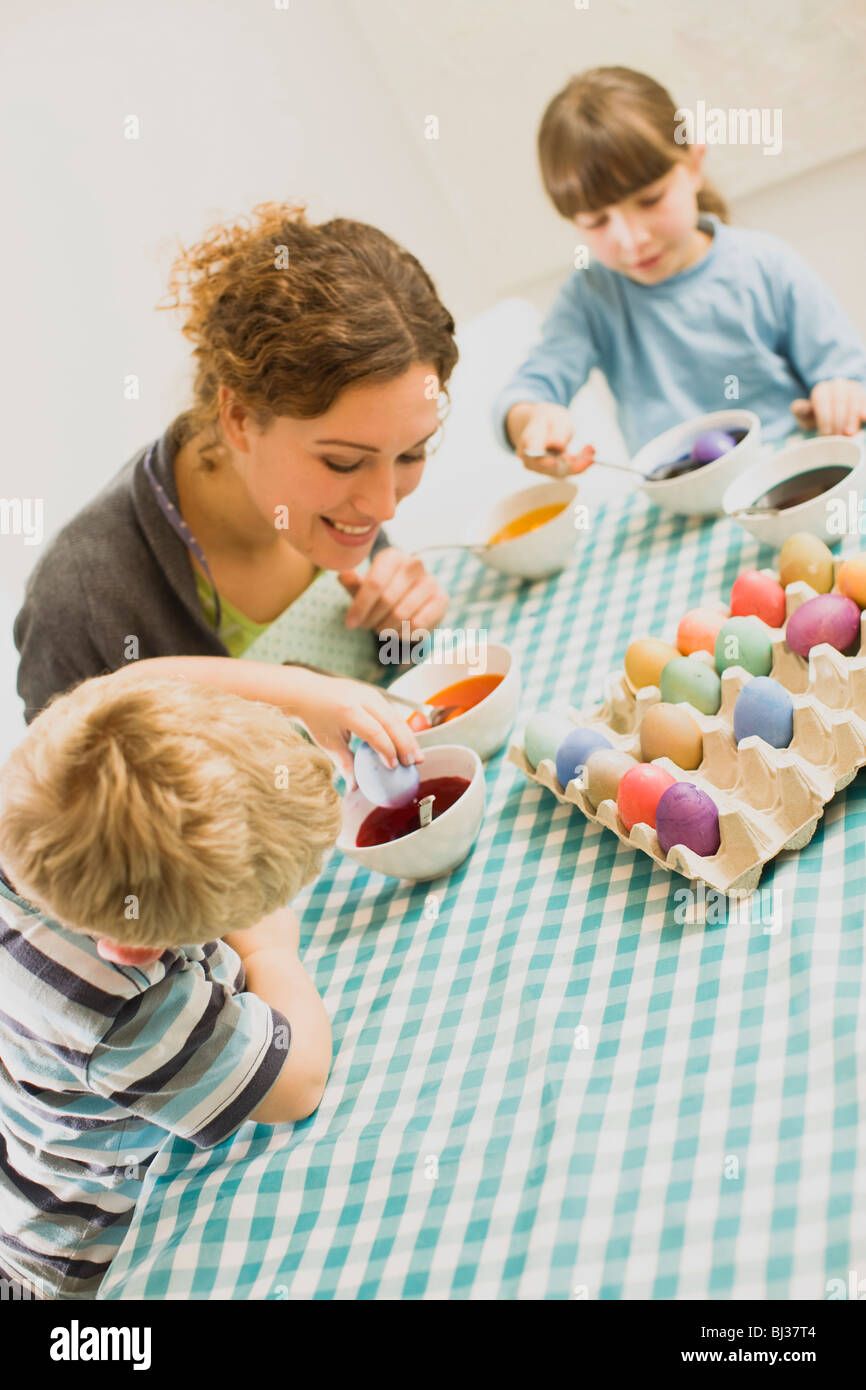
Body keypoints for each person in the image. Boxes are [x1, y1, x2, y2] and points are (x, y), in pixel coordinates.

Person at [14, 202, 460, 782]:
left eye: (411, 453)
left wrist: (398, 631)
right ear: (241, 417)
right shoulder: (82, 599)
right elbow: (54, 842)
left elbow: (365, 685)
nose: (383, 504)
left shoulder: (322, 500)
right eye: (342, 461)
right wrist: (282, 696)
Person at [0, 672, 343, 1299]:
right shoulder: (119, 1005)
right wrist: (271, 948)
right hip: (84, 1254)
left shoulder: (37, 790)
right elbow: (296, 1085)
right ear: (137, 945)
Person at [495, 67, 866, 477]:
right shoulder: (590, 297)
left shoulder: (765, 266)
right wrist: (532, 422)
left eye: (650, 200)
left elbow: (851, 376)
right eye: (597, 221)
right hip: (677, 503)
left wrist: (841, 392)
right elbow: (528, 390)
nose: (631, 239)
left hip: (793, 476)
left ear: (693, 165)